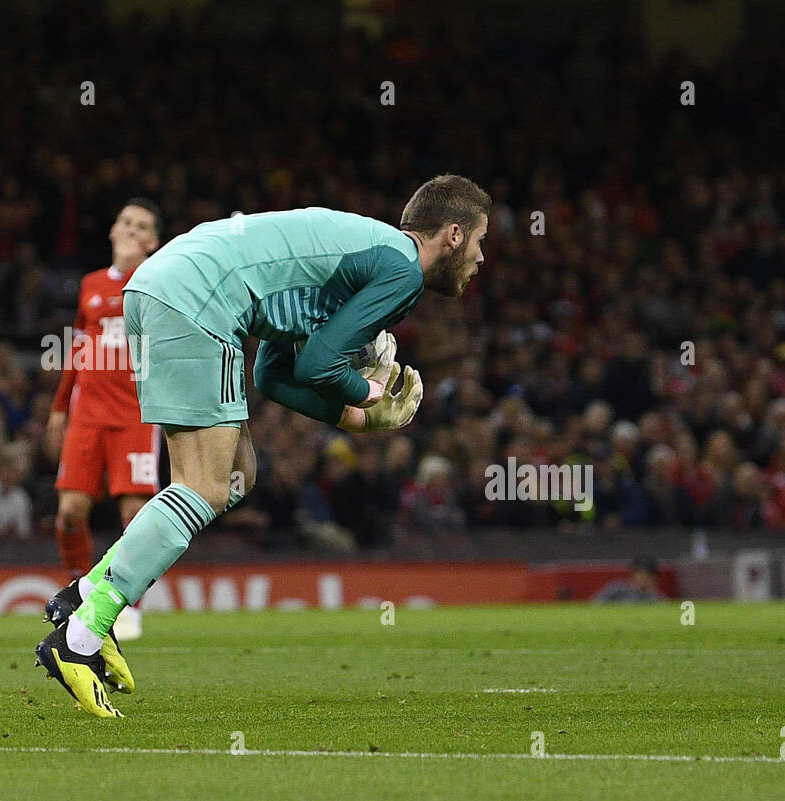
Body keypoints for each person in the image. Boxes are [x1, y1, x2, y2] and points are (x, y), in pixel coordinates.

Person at [35, 175, 488, 716]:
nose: (482, 258)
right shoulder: (402, 268)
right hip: (198, 298)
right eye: (481, 242)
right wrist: (367, 392)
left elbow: (274, 373)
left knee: (234, 476)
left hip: (168, 285)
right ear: (454, 235)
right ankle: (80, 638)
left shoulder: (363, 254)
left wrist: (350, 416)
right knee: (201, 484)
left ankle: (83, 598)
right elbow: (322, 363)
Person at [45, 199, 163, 640]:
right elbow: (78, 349)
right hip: (87, 414)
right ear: (113, 229)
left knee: (135, 514)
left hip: (136, 413)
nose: (132, 231)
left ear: (152, 242)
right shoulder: (89, 284)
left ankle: (126, 603)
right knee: (71, 511)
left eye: (143, 227)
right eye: (126, 222)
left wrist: (139, 272)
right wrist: (60, 406)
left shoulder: (155, 282)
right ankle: (78, 591)